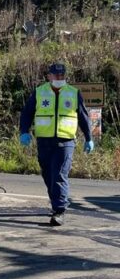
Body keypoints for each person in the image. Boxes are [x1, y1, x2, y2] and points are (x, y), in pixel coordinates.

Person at [19, 62, 94, 226]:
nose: (59, 78)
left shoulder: (73, 93)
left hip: (65, 141)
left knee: (59, 174)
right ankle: (56, 203)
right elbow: (27, 113)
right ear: (49, 76)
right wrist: (24, 131)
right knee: (48, 175)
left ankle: (59, 210)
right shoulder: (39, 92)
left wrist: (89, 138)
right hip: (44, 141)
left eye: (62, 75)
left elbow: (83, 116)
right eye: (56, 75)